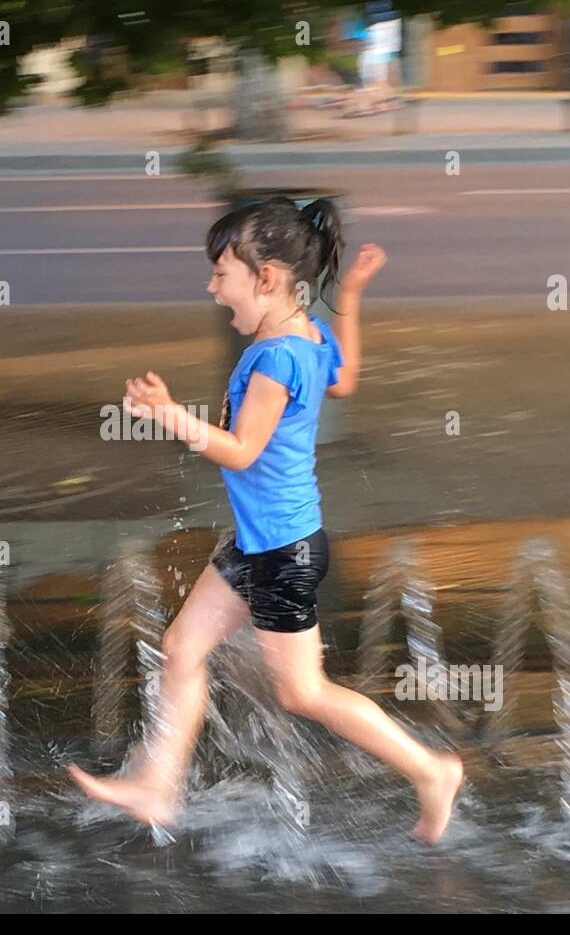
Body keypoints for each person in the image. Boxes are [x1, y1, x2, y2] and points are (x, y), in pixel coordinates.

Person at [67, 197, 464, 845]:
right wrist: (354, 294)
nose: (212, 285)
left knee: (303, 692)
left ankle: (431, 769)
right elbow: (346, 378)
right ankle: (157, 785)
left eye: (222, 272)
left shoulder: (276, 357)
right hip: (263, 544)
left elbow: (242, 449)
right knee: (181, 648)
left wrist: (170, 414)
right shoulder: (308, 335)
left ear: (268, 278)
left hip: (283, 553)